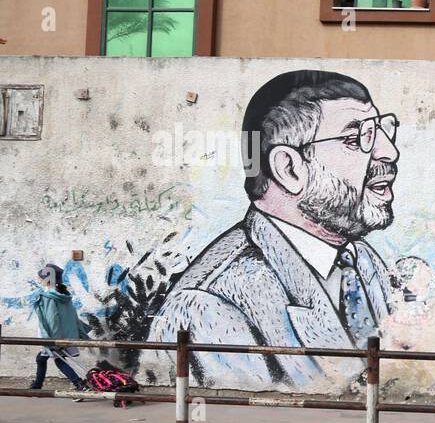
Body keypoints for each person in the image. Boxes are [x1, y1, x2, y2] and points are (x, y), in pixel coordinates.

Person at [149, 70, 398, 388]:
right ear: (289, 168)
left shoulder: (362, 260)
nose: (389, 152)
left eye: (382, 132)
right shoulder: (206, 307)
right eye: (355, 138)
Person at [29, 265, 90, 395]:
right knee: (43, 359)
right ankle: (37, 386)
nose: (39, 279)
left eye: (41, 277)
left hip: (52, 335)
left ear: (48, 279)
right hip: (64, 334)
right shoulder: (63, 294)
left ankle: (78, 383)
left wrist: (53, 340)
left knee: (58, 360)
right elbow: (72, 316)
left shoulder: (47, 296)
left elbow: (52, 319)